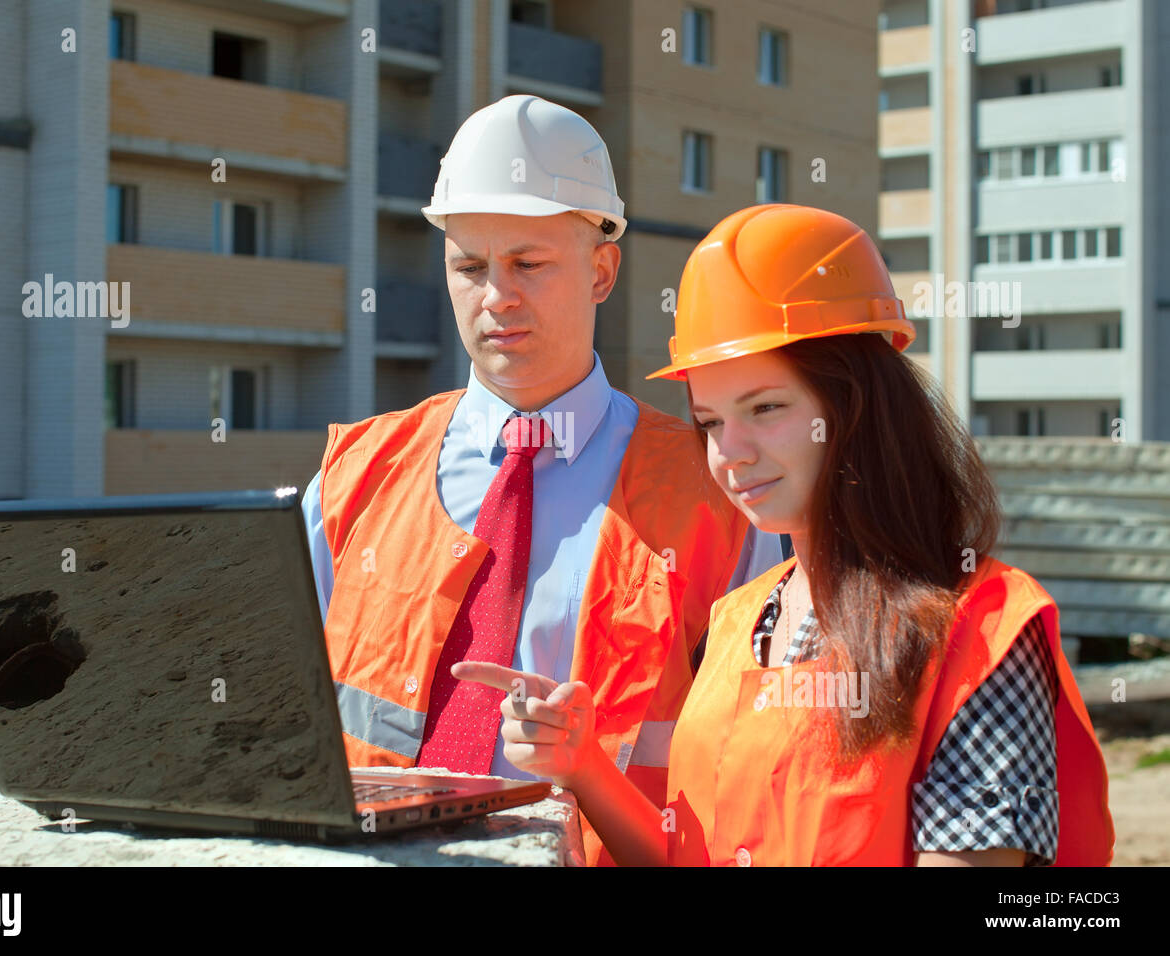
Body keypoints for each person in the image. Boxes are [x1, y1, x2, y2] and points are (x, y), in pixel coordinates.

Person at [458, 203, 1116, 866]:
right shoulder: (739, 618)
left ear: (857, 407)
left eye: (765, 408)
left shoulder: (989, 632)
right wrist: (583, 765)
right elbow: (693, 855)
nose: (730, 452)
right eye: (711, 422)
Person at [301, 96, 784, 866]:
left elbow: (761, 769)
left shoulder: (721, 495)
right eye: (470, 266)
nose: (497, 296)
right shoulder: (354, 476)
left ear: (601, 271)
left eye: (528, 263)